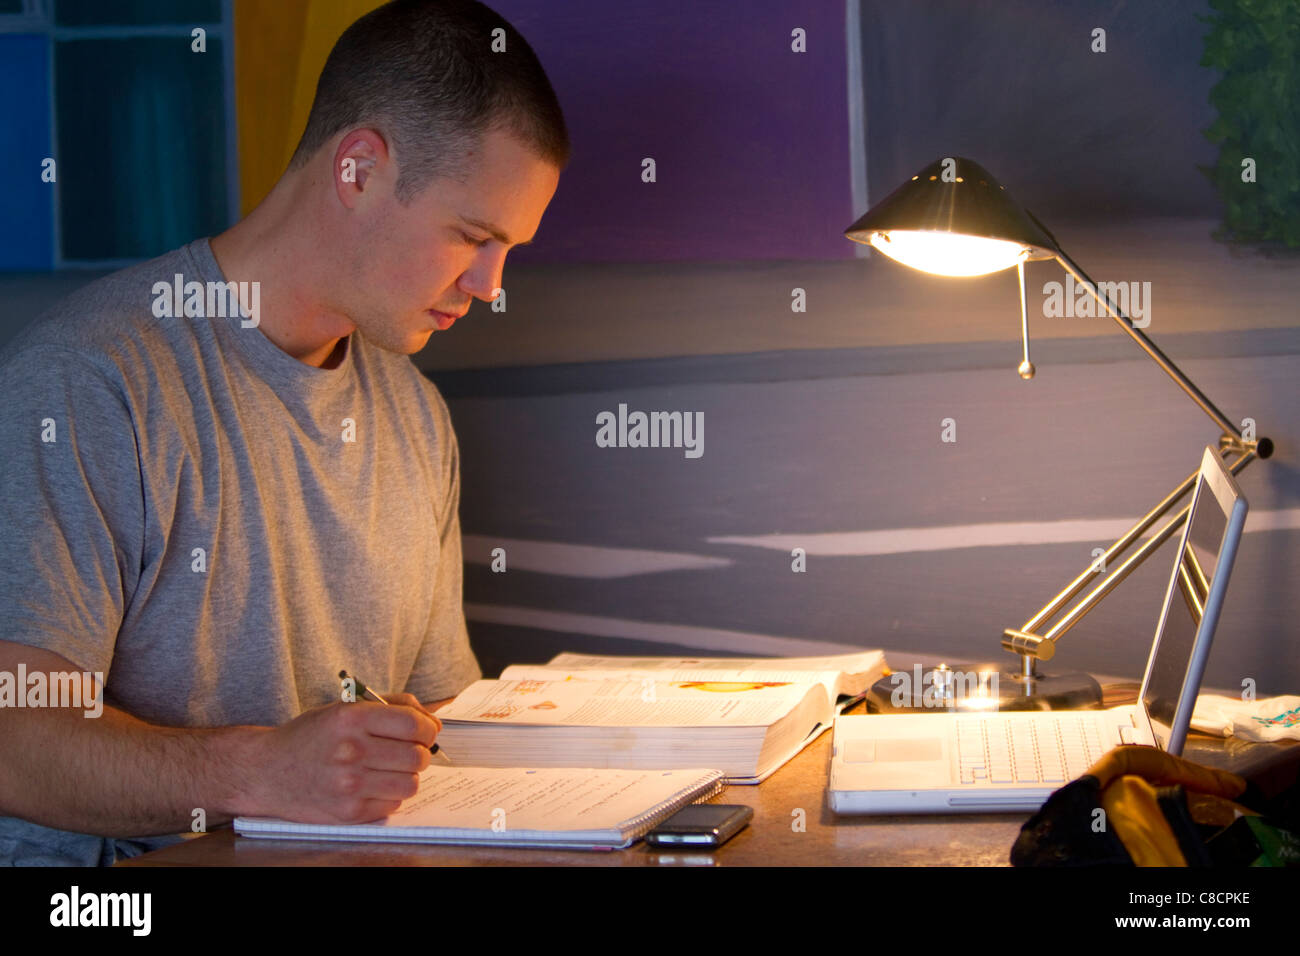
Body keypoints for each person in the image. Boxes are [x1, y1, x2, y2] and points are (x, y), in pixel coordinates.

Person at [0, 0, 568, 866]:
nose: (491, 285)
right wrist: (261, 769)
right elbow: (14, 739)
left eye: (509, 250)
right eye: (473, 236)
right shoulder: (90, 379)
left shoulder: (414, 413)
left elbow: (434, 721)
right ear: (359, 170)